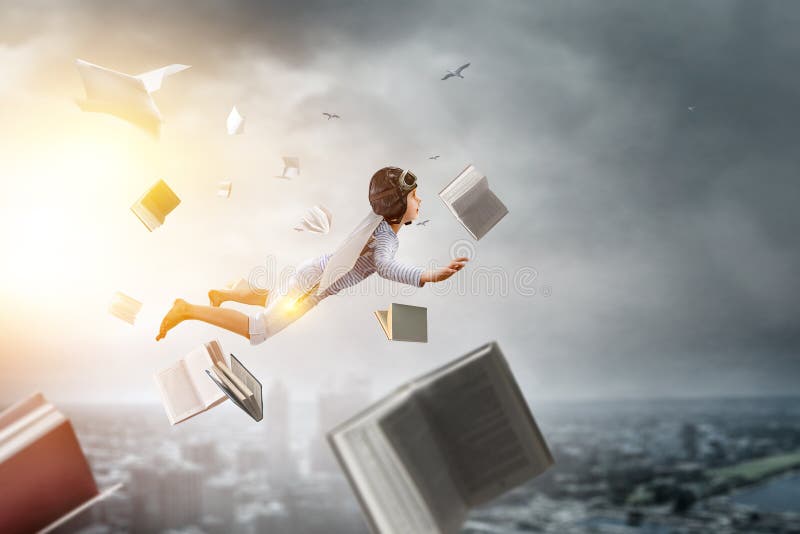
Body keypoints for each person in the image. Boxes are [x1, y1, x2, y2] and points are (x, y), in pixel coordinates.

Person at [155, 166, 469, 344]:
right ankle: (188, 310)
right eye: (415, 197)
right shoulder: (386, 238)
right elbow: (386, 267)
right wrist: (428, 275)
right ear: (400, 206)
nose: (420, 201)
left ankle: (230, 292)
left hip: (312, 272)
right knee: (260, 329)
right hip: (312, 287)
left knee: (276, 299)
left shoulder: (376, 222)